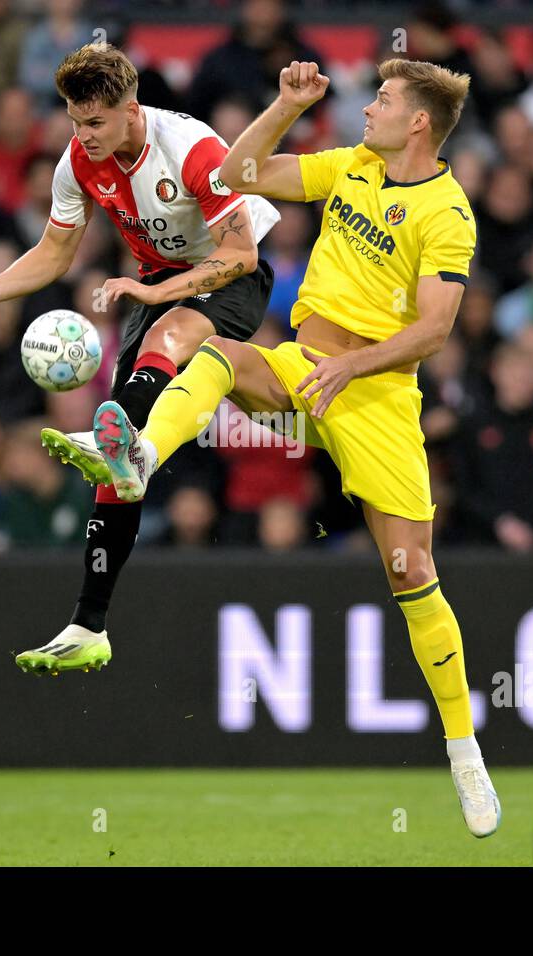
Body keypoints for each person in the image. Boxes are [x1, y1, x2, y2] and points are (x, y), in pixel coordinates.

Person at [87, 59, 500, 839]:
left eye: (382, 99)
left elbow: (437, 327)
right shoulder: (352, 166)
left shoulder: (448, 213)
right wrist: (283, 104)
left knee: (412, 574)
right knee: (218, 353)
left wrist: (356, 363)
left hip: (374, 394)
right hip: (308, 369)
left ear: (420, 121)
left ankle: (462, 746)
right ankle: (140, 456)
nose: (367, 107)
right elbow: (237, 173)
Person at [0, 43, 279, 675]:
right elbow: (54, 250)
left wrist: (152, 291)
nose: (83, 136)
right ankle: (88, 623)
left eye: (95, 122)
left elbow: (241, 256)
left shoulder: (191, 148)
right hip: (156, 286)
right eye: (73, 121)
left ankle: (121, 443)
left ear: (132, 107)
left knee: (166, 341)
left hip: (226, 278)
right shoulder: (77, 162)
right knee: (116, 472)